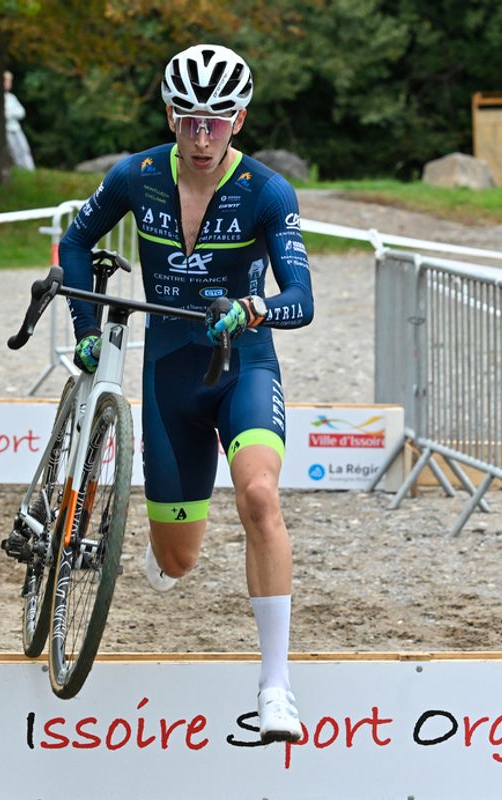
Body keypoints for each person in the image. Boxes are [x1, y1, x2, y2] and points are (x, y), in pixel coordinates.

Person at [58, 44, 313, 743]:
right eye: (190, 121)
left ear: (241, 119)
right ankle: (158, 551)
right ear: (171, 115)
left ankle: (276, 686)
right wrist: (85, 328)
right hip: (169, 376)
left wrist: (255, 308)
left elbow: (302, 298)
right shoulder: (134, 177)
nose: (203, 138)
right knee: (178, 561)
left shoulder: (267, 191)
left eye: (218, 122)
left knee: (260, 494)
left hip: (244, 367)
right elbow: (73, 246)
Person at [3, 71, 35, 171]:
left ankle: (30, 170)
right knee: (15, 151)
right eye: (7, 81)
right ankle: (21, 169)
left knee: (24, 148)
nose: (9, 84)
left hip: (16, 128)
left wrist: (10, 113)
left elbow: (21, 112)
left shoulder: (11, 97)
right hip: (6, 129)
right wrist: (11, 113)